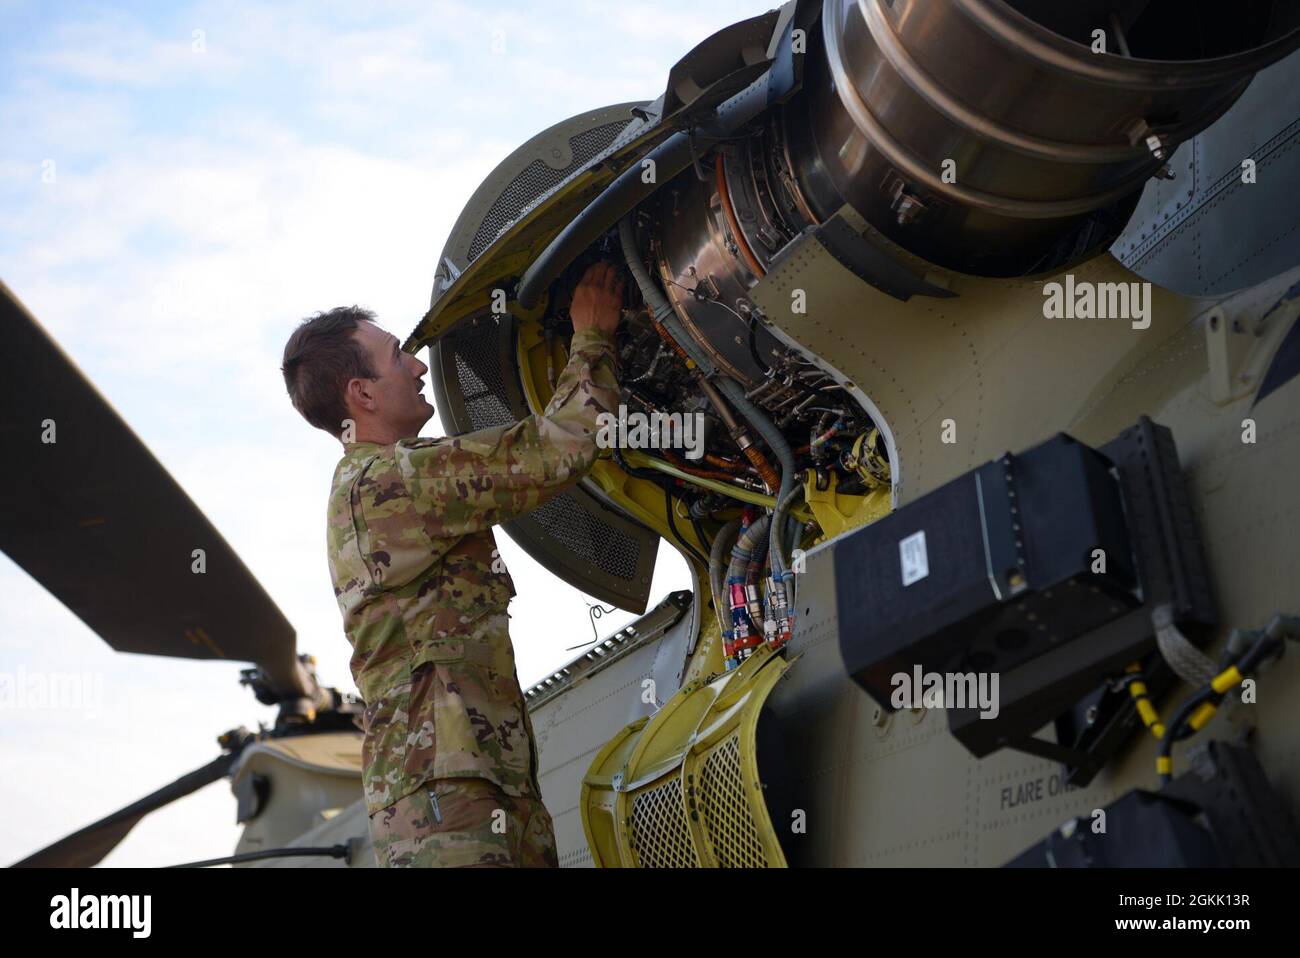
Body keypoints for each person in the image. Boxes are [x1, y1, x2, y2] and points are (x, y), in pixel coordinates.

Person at [280, 261, 625, 866]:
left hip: (476, 782)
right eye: (398, 357)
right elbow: (557, 447)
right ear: (361, 394)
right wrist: (592, 332)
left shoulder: (380, 482)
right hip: (447, 796)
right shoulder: (393, 480)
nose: (418, 367)